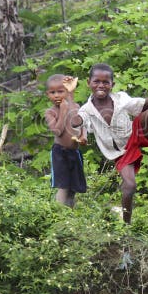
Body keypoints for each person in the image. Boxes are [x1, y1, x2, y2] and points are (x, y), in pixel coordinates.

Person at [77, 63, 148, 224]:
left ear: (112, 84)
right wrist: (68, 100)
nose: (101, 85)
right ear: (89, 83)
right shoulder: (86, 109)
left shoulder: (120, 98)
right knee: (130, 185)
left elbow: (143, 107)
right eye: (96, 81)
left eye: (105, 82)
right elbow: (79, 121)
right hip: (120, 152)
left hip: (134, 134)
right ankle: (126, 224)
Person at [44, 74, 87, 207]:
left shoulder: (75, 106)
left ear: (67, 91)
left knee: (73, 186)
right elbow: (57, 131)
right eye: (53, 92)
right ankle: (59, 212)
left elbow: (80, 123)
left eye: (60, 91)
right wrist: (63, 111)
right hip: (60, 152)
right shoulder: (50, 112)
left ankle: (69, 213)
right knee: (63, 185)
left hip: (74, 151)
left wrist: (83, 136)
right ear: (47, 94)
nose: (56, 95)